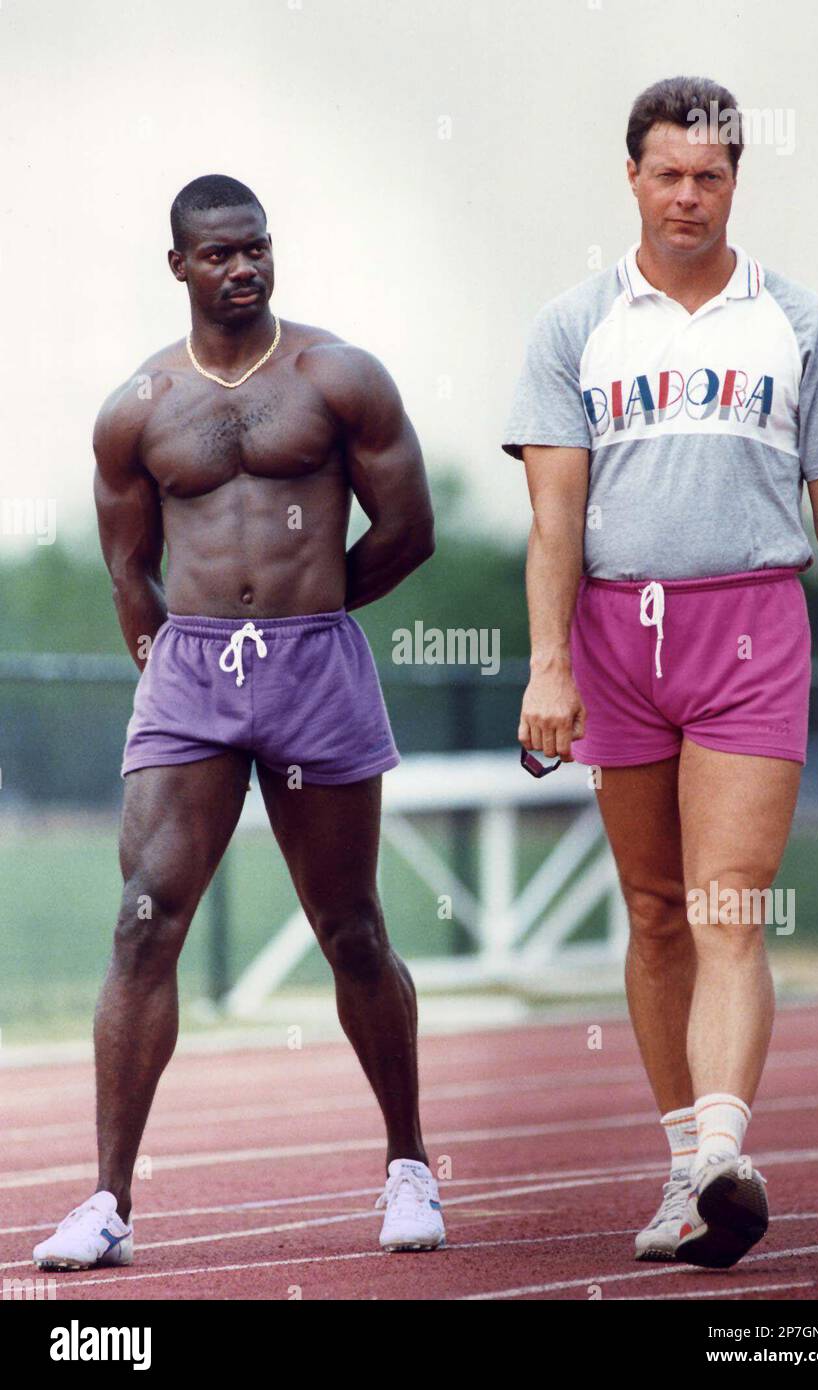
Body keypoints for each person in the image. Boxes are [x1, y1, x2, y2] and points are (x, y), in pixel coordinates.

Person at [503, 77, 818, 1268]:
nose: (687, 195)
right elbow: (554, 517)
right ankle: (687, 1168)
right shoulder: (575, 326)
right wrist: (549, 666)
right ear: (632, 176)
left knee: (728, 901)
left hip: (750, 631)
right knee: (658, 911)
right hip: (619, 640)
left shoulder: (805, 325)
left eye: (708, 176)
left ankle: (726, 1149)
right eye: (667, 173)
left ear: (736, 181)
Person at [34, 174, 444, 1271]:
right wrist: (177, 660)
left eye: (256, 247)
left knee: (351, 924)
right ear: (179, 265)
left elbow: (408, 528)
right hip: (193, 676)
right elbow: (129, 568)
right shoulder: (138, 407)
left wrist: (309, 618)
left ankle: (408, 1161)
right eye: (217, 253)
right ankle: (110, 1201)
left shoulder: (336, 376)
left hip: (315, 664)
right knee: (141, 920)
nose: (242, 266)